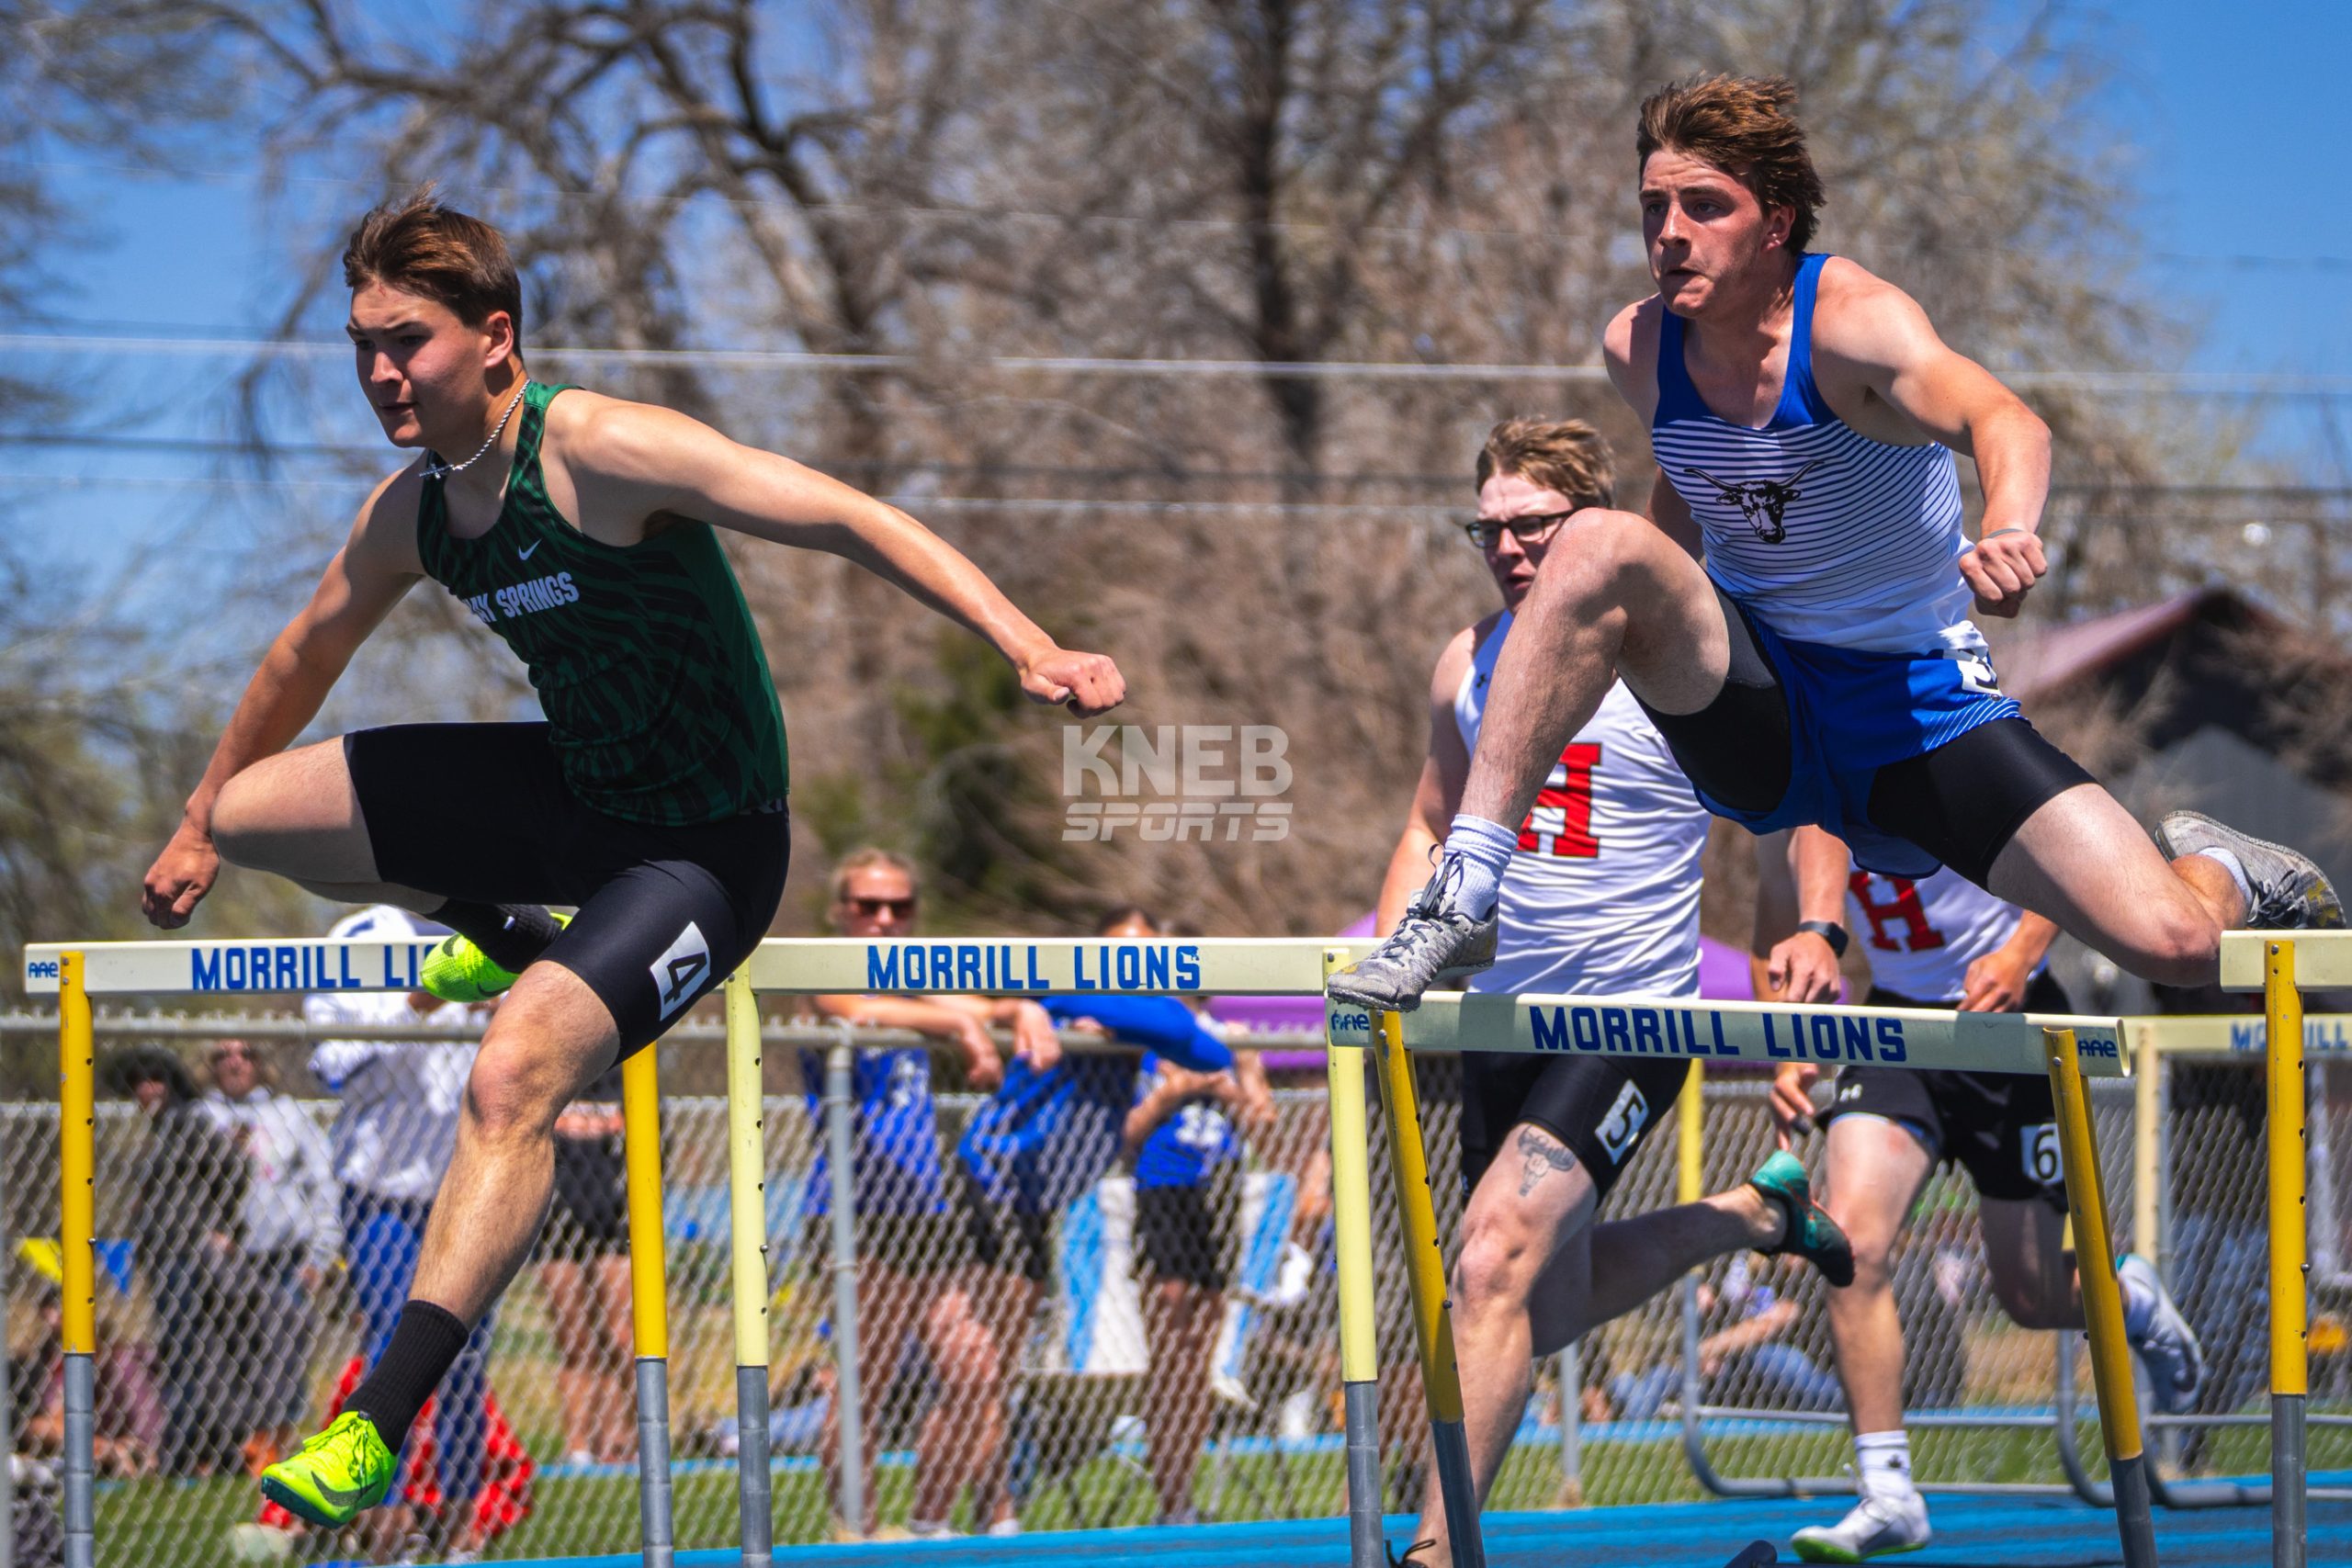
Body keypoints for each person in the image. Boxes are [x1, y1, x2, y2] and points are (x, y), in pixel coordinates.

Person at [132, 188, 1123, 1529]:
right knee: (253, 806)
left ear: (496, 338)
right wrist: (195, 818)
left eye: (405, 342)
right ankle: (501, 923)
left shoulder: (597, 447)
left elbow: (846, 515)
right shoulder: (414, 513)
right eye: (361, 345)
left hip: (707, 845)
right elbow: (303, 651)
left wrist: (1026, 644)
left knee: (513, 1070)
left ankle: (372, 1424)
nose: (379, 374)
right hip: (576, 794)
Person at [1330, 77, 2338, 1019]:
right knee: (1596, 540)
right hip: (1758, 693)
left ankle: (2227, 867)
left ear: (1774, 224)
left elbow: (2007, 421)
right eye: (1652, 208)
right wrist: (1621, 626)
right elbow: (1681, 483)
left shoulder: (1852, 325)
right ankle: (1465, 888)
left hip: (1912, 707)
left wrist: (2009, 531)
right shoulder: (1635, 348)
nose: (1668, 235)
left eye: (1703, 207)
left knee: (2171, 942)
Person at [1366, 418, 1854, 1568]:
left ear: (1590, 525)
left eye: (1532, 525)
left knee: (1487, 1266)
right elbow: (1431, 823)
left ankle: (1436, 1553)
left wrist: (1812, 932)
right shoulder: (1466, 660)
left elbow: (1796, 808)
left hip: (1629, 1014)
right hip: (1499, 1017)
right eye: (1486, 529)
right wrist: (1387, 965)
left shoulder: (1677, 655)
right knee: (1536, 1300)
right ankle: (1753, 1214)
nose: (1507, 548)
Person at [1760, 827, 2206, 1561]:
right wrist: (1789, 1050)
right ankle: (1887, 1490)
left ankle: (2132, 1298)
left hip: (2013, 1025)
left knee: (2029, 1296)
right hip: (1902, 1027)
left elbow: (2070, 856)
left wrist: (2020, 954)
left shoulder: (1949, 731)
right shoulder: (1792, 800)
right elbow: (1772, 924)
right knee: (1848, 1240)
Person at [946, 906, 1238, 1535]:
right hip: (999, 1176)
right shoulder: (1072, 991)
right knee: (982, 1357)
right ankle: (983, 1514)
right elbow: (1181, 1034)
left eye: (1144, 957)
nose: (1129, 969)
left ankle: (975, 1511)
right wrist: (1060, 1006)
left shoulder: (1130, 1009)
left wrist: (1127, 1018)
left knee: (995, 1356)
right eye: (1116, 954)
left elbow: (1205, 1046)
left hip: (1044, 1194)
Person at [802, 847, 1061, 1540]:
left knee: (975, 1369)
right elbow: (855, 1010)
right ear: (841, 911)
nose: (885, 919)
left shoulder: (920, 984)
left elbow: (983, 1004)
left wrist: (1017, 1010)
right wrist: (964, 1027)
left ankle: (926, 1523)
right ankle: (856, 1529)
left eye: (900, 906)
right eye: (868, 905)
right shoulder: (823, 967)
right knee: (864, 1384)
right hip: (856, 1211)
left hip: (930, 1211)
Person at [303, 904, 498, 1561]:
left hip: (468, 1189)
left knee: (466, 1358)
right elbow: (332, 1063)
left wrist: (495, 1010)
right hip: (381, 1192)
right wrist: (417, 1006)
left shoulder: (492, 916)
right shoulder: (357, 938)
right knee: (394, 1353)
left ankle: (463, 1526)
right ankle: (384, 1525)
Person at [1118, 919, 1273, 1527]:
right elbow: (1126, 1133)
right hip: (1161, 1187)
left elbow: (1264, 1118)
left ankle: (1184, 1494)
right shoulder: (1150, 1035)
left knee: (1202, 1344)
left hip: (1219, 1189)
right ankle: (1171, 1495)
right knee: (1171, 1329)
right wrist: (1172, 1090)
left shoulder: (1231, 1037)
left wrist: (1230, 1087)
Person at [197, 1037, 340, 1471]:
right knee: (228, 1354)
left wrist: (320, 1255)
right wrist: (205, 1232)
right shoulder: (202, 1116)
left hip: (286, 1258)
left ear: (261, 1061)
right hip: (225, 1260)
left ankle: (275, 1445)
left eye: (246, 1052)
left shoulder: (290, 1114)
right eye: (223, 1054)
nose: (235, 1061)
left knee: (285, 1352)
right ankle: (232, 1446)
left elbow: (323, 1182)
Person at [107, 1044, 249, 1476]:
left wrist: (220, 1225)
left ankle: (186, 1448)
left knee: (186, 1349)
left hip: (187, 1253)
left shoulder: (189, 1122)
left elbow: (233, 1170)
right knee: (180, 1348)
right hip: (163, 1253)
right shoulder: (158, 1131)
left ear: (169, 1086)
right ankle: (201, 1446)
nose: (146, 1090)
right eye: (138, 1084)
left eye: (154, 1081)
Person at [539, 1063, 632, 1466]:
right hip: (557, 1221)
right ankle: (579, 1448)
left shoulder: (628, 1066)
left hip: (616, 1220)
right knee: (575, 1340)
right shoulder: (548, 1068)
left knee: (621, 1335)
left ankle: (619, 1440)